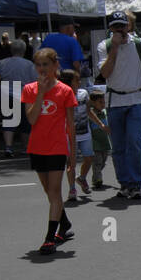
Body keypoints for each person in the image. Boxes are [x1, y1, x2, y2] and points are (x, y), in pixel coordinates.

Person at [21, 47, 78, 255]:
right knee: (49, 192)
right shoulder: (29, 89)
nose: (42, 69)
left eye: (46, 64)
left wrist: (73, 153)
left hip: (57, 147)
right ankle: (64, 223)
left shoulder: (65, 90)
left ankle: (49, 238)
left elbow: (71, 125)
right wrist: (41, 94)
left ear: (55, 65)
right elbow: (32, 119)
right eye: (39, 65)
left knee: (55, 191)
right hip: (37, 147)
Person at [97, 10, 141, 200]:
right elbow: (105, 73)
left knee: (134, 141)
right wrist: (114, 49)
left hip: (136, 99)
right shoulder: (104, 46)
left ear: (128, 26)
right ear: (110, 29)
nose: (120, 31)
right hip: (115, 100)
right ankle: (124, 183)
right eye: (115, 27)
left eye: (122, 26)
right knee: (119, 146)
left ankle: (135, 183)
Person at [0, 39, 37, 157]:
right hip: (24, 94)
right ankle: (26, 148)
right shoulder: (29, 64)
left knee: (8, 120)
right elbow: (35, 81)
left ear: (11, 50)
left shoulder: (2, 62)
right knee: (25, 122)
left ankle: (8, 147)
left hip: (6, 93)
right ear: (24, 50)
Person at [62, 69, 91, 200]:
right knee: (71, 163)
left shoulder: (84, 93)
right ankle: (72, 188)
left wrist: (101, 125)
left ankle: (82, 178)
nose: (79, 83)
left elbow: (88, 111)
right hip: (69, 134)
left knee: (89, 157)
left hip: (85, 132)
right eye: (76, 80)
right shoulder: (62, 95)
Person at [86, 87, 110, 189]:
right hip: (95, 142)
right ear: (93, 103)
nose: (103, 104)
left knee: (103, 161)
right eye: (100, 102)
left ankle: (96, 176)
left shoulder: (105, 112)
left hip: (105, 141)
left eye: (103, 102)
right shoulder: (91, 114)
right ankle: (97, 179)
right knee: (97, 161)